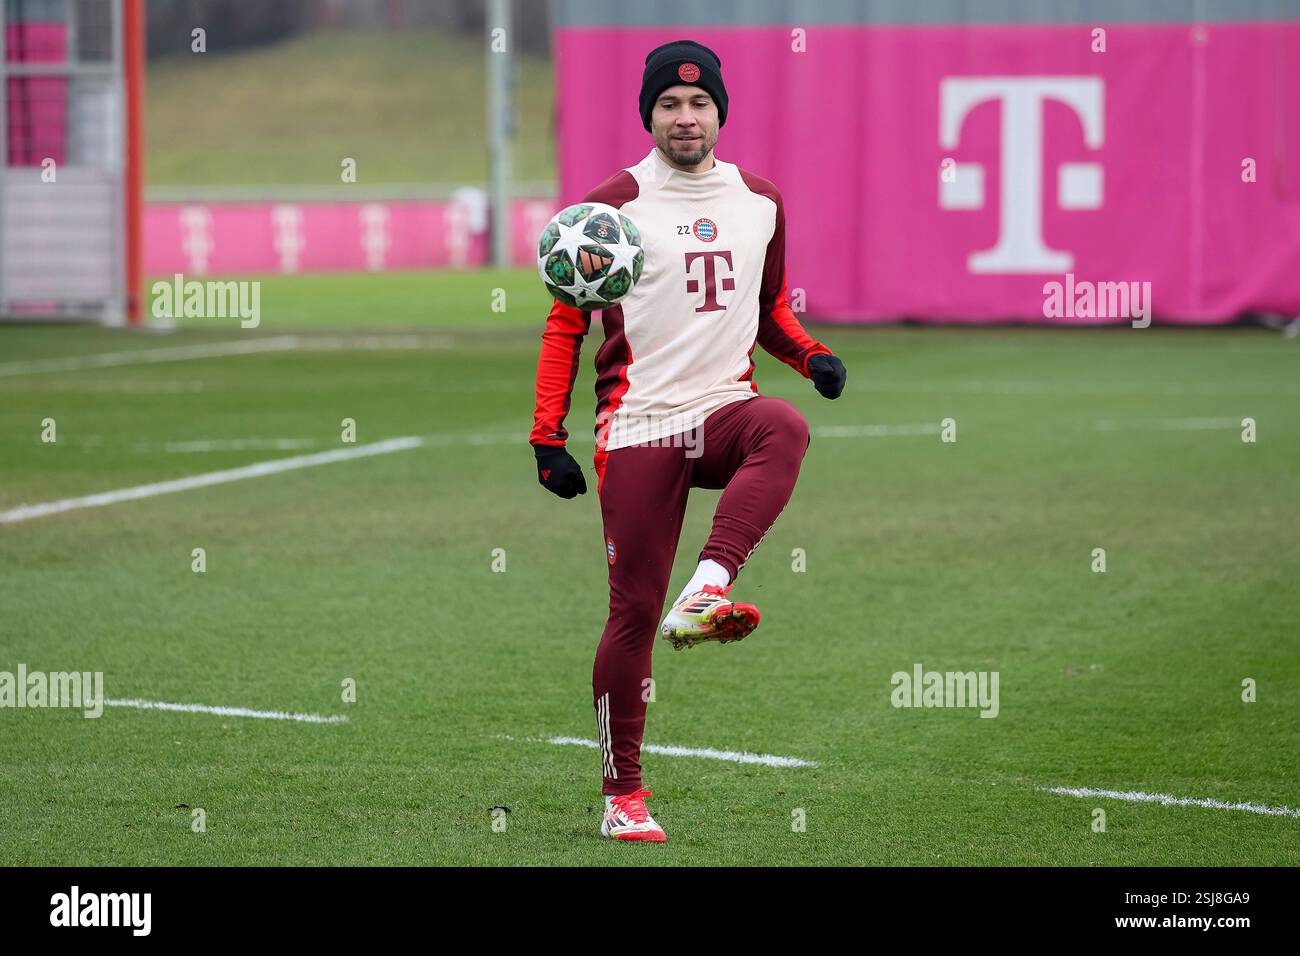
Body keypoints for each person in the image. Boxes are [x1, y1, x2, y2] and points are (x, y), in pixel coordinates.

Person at [529, 39, 847, 842]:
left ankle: (707, 587)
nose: (685, 117)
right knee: (631, 614)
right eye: (669, 104)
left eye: (698, 104)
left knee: (783, 423)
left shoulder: (760, 201)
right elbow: (566, 322)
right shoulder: (610, 208)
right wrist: (547, 438)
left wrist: (809, 356)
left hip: (719, 412)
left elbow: (767, 307)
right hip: (637, 427)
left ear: (719, 113)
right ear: (650, 115)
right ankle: (621, 796)